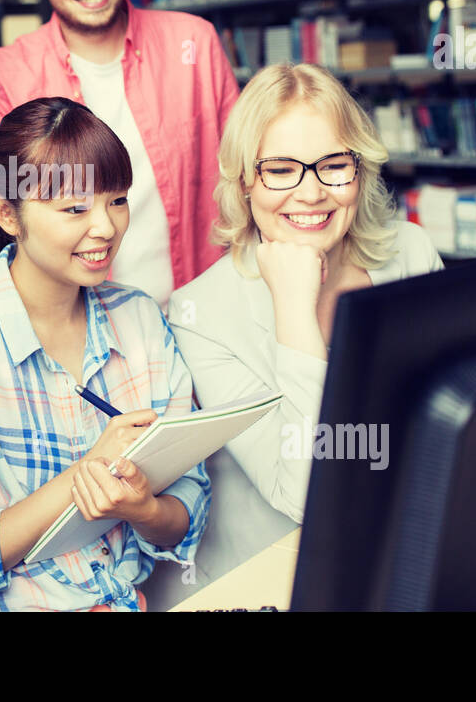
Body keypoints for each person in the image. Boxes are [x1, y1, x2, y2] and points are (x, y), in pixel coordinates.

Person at [0, 97, 210, 611]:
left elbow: (188, 509)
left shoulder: (141, 319)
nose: (106, 227)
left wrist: (145, 509)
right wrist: (88, 474)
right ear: (6, 212)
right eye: (74, 209)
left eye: (117, 200)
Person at [167, 62, 443, 582]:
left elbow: (444, 422)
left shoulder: (411, 253)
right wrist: (294, 308)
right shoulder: (199, 315)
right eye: (280, 169)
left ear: (359, 168)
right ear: (245, 181)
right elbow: (309, 495)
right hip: (280, 577)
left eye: (334, 164)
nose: (312, 193)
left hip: (397, 546)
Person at [0, 0, 239, 308]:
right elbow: (10, 223)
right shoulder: (2, 76)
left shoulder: (193, 44)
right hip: (81, 331)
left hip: (205, 316)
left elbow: (243, 175)